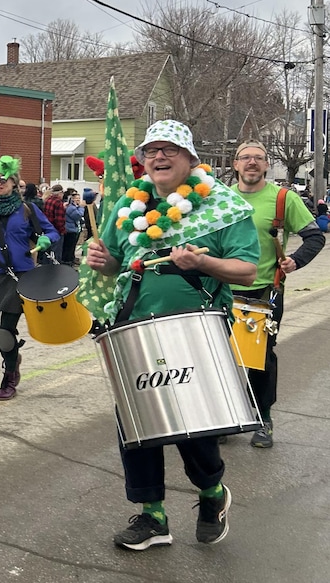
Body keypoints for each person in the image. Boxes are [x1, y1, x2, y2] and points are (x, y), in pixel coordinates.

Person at [85, 119, 258, 551]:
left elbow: (247, 269)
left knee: (192, 424)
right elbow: (113, 264)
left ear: (191, 159)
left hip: (195, 327)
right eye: (152, 150)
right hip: (133, 327)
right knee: (137, 424)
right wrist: (100, 259)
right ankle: (153, 517)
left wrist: (202, 263)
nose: (159, 157)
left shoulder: (222, 204)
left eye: (170, 150)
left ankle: (212, 493)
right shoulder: (129, 205)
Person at [229, 141, 324, 448]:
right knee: (221, 358)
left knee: (259, 358)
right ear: (235, 164)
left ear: (267, 165)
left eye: (258, 158)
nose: (252, 162)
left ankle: (263, 419)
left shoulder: (284, 198)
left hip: (264, 291)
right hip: (220, 291)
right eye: (246, 158)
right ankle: (225, 418)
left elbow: (314, 237)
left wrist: (295, 261)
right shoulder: (220, 199)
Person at [0, 156, 58, 400]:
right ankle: (13, 357)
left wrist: (45, 239)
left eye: (3, 179)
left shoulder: (27, 209)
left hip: (21, 275)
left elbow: (51, 231)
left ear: (13, 183)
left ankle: (8, 377)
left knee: (5, 331)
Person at [42, 183, 67, 263]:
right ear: (60, 193)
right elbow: (59, 219)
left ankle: (46, 270)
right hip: (56, 231)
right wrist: (62, 230)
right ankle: (56, 272)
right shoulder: (58, 203)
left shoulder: (47, 200)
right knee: (56, 254)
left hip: (48, 230)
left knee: (47, 253)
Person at [63, 189, 84, 265]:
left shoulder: (75, 207)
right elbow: (77, 216)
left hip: (75, 229)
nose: (78, 200)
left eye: (79, 198)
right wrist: (81, 207)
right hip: (70, 229)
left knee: (73, 246)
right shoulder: (70, 207)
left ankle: (71, 259)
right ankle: (67, 261)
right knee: (69, 247)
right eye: (76, 199)